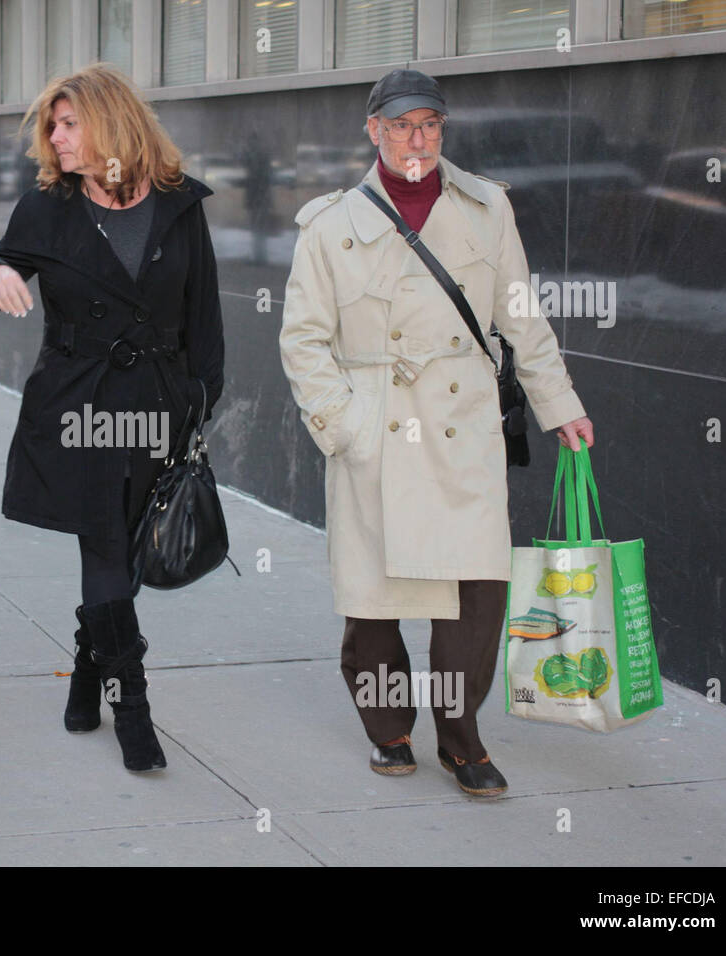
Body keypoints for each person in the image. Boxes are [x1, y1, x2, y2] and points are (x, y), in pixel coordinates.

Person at [278, 69, 594, 797]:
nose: (417, 138)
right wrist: (347, 427)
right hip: (378, 431)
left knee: (475, 599)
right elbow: (303, 341)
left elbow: (521, 317)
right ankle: (389, 731)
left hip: (463, 427)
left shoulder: (487, 209)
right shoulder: (331, 225)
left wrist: (561, 405)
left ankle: (462, 741)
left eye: (430, 124)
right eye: (401, 125)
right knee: (376, 603)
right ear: (374, 131)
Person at [0, 64, 225, 772]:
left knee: (128, 550)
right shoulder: (47, 207)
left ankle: (86, 668)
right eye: (51, 124)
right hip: (82, 406)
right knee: (105, 547)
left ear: (111, 123)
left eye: (68, 123)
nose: (55, 136)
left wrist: (200, 403)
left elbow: (205, 315)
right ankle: (131, 707)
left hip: (162, 407)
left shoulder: (177, 204)